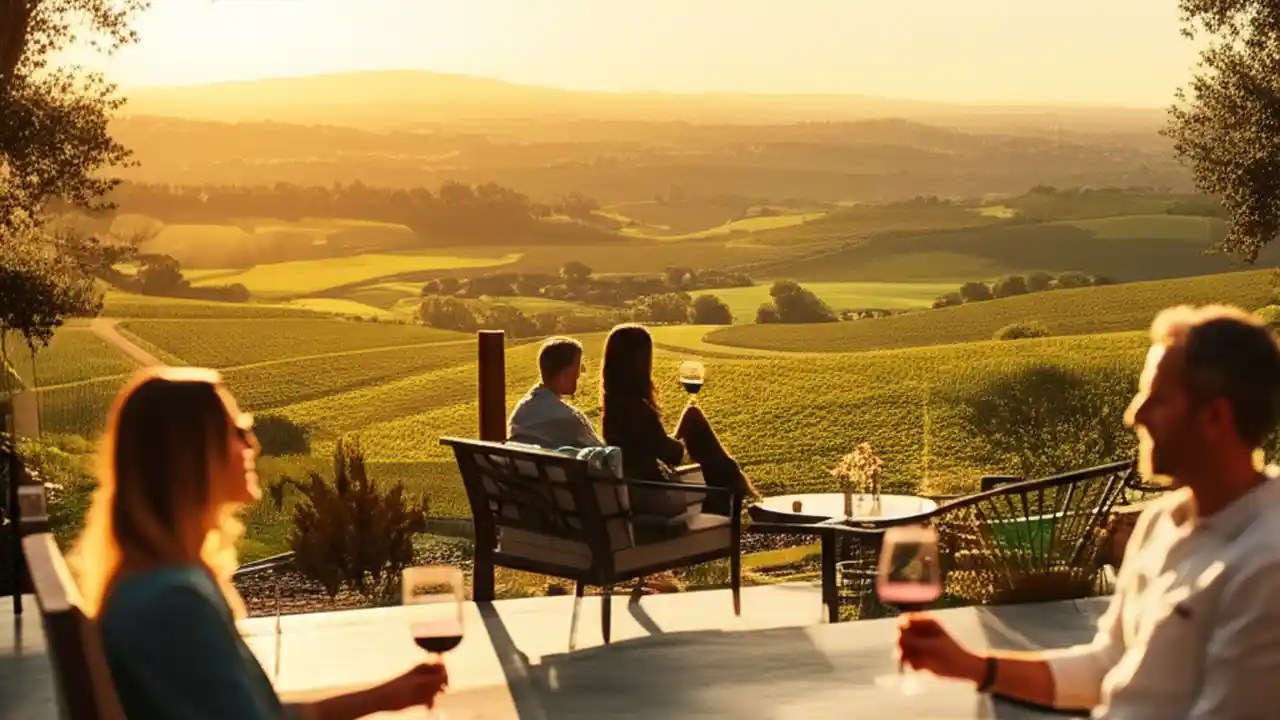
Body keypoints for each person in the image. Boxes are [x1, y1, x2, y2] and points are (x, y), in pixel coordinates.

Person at [897, 305, 1280, 719]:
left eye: (1158, 399)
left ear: (1214, 417)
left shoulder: (1266, 565)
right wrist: (970, 665)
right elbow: (1108, 665)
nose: (1135, 415)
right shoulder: (1161, 522)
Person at [70, 367, 448, 720]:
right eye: (236, 431)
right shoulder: (173, 603)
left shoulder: (154, 585)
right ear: (191, 455)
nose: (252, 443)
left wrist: (384, 697)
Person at [600, 323, 760, 520]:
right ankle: (735, 488)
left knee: (692, 417)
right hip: (656, 495)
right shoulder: (637, 409)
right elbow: (672, 455)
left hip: (639, 488)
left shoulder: (613, 405)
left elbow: (651, 445)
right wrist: (680, 441)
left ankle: (734, 479)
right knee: (719, 478)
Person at [507, 336, 603, 449]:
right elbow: (604, 454)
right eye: (577, 367)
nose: (581, 372)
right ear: (564, 374)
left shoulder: (521, 412)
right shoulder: (568, 419)